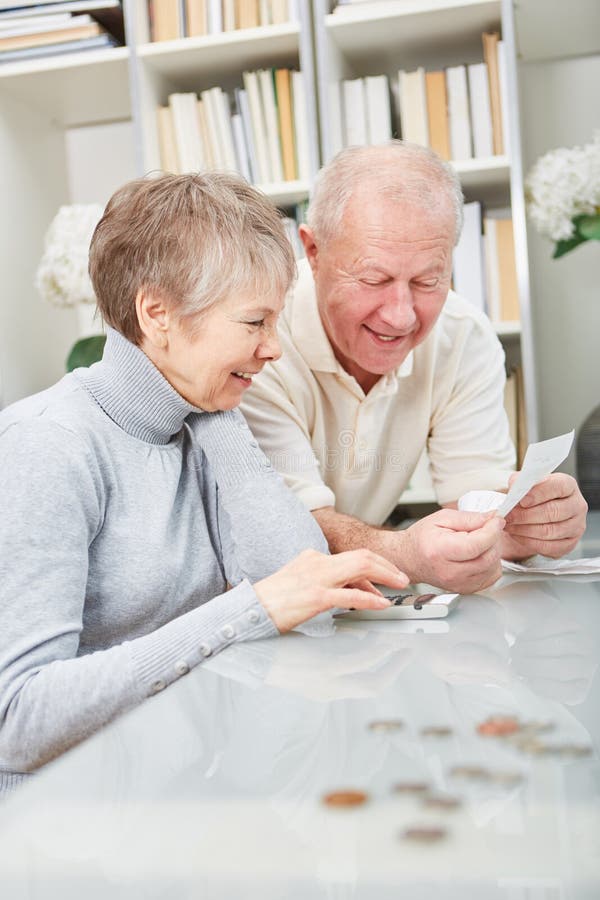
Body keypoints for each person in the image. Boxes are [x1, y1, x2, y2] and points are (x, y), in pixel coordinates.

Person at [0, 173, 408, 786]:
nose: (274, 349)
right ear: (156, 313)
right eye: (253, 323)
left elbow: (307, 601)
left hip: (183, 788)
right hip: (71, 829)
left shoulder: (198, 417)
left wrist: (218, 412)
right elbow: (20, 721)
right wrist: (245, 610)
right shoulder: (50, 445)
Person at [241, 143, 587, 593]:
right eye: (373, 279)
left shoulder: (461, 335)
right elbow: (288, 530)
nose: (401, 316)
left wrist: (530, 526)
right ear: (312, 251)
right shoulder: (259, 339)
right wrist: (405, 552)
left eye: (429, 280)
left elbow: (479, 505)